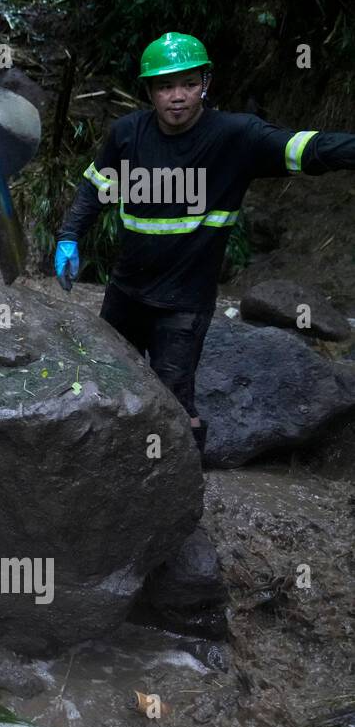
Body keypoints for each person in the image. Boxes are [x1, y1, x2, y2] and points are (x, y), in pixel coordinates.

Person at [54, 32, 355, 454]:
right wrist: (69, 237)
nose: (177, 97)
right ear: (149, 91)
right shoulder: (127, 135)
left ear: (205, 84)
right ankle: (113, 468)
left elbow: (307, 148)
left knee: (173, 399)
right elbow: (95, 190)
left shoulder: (236, 137)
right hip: (125, 291)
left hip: (184, 303)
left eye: (189, 84)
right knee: (107, 377)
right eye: (165, 86)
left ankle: (183, 485)